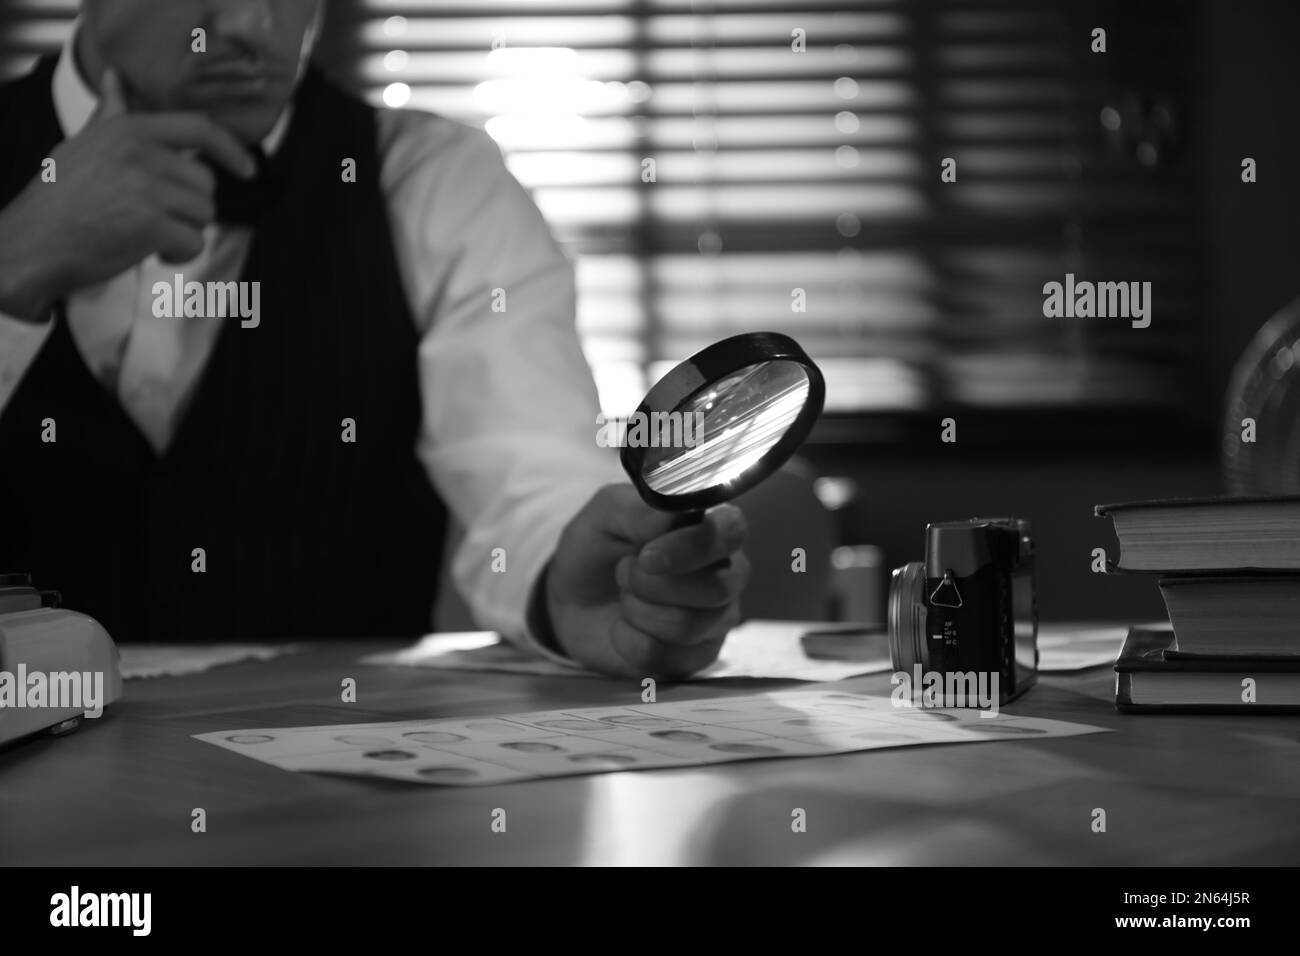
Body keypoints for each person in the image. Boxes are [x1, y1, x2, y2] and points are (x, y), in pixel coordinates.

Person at [0, 0, 749, 680]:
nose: (254, 29)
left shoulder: (435, 180)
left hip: (338, 793)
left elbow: (527, 462)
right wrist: (14, 260)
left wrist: (572, 581)